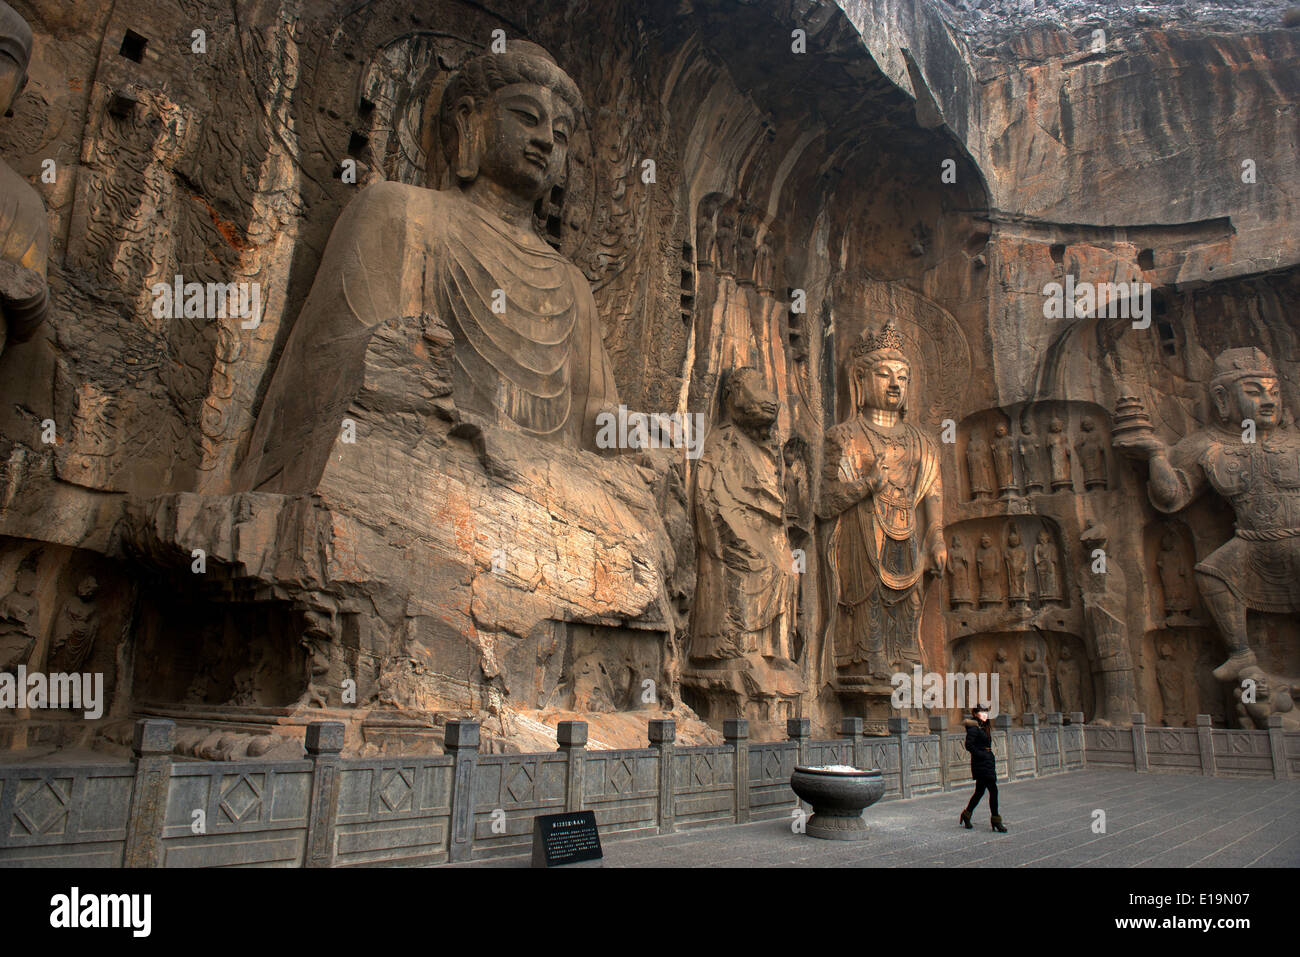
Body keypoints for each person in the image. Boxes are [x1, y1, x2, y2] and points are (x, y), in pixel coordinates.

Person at [960, 704, 1007, 832]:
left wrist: (987, 755)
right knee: (993, 790)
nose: (985, 715)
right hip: (981, 763)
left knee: (980, 791)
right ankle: (996, 820)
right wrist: (982, 754)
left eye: (986, 712)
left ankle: (966, 814)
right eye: (982, 712)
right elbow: (969, 745)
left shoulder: (983, 726)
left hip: (987, 761)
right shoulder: (974, 727)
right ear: (975, 714)